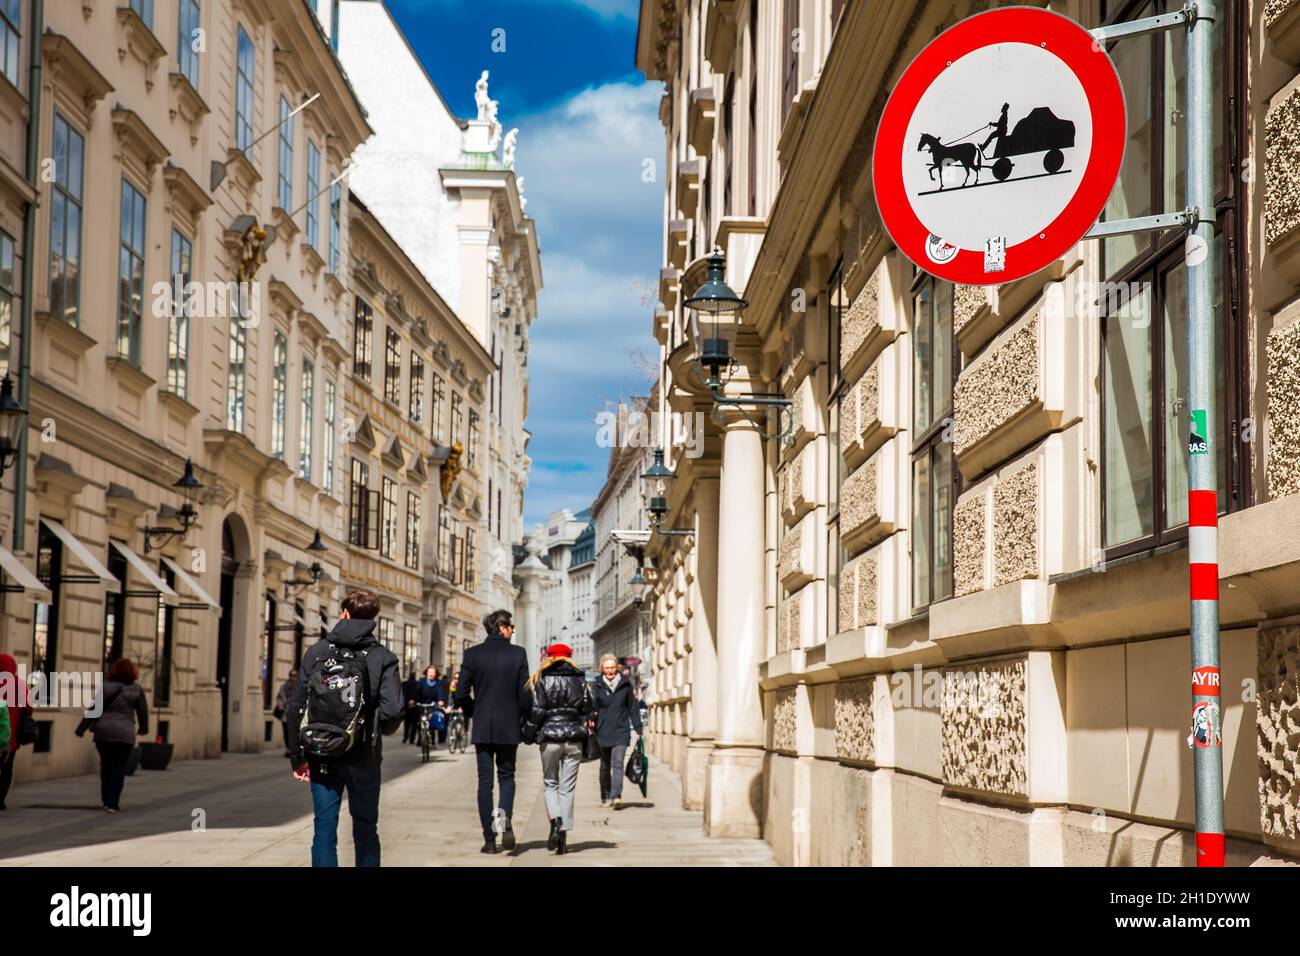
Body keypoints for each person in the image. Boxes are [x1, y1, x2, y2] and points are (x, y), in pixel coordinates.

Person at [285, 590, 404, 867]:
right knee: (365, 829)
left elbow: (295, 708)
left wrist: (297, 756)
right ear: (373, 619)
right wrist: (378, 731)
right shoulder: (382, 657)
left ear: (344, 613)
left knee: (324, 829)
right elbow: (393, 710)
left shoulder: (317, 651)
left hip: (321, 751)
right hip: (363, 754)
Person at [454, 609, 528, 854]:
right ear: (503, 627)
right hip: (509, 725)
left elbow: (460, 693)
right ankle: (503, 821)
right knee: (506, 777)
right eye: (511, 627)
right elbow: (524, 694)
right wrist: (524, 718)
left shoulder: (473, 654)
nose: (513, 630)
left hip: (483, 725)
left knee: (484, 782)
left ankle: (489, 840)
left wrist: (474, 711)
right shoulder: (518, 654)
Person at [521, 643, 594, 855]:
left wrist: (528, 735)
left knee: (550, 782)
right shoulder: (580, 679)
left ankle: (555, 820)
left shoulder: (541, 678)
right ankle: (563, 836)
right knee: (567, 789)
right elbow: (588, 708)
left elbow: (537, 712)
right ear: (569, 657)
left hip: (550, 737)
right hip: (574, 738)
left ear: (549, 657)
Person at [75, 658, 149, 812]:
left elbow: (94, 710)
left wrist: (82, 728)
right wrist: (143, 728)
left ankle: (106, 800)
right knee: (119, 767)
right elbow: (143, 711)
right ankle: (113, 802)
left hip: (104, 732)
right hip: (125, 733)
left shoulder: (106, 688)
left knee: (106, 766)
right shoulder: (136, 690)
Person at [591, 653, 642, 809]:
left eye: (612, 668)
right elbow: (593, 706)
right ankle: (605, 795)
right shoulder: (597, 684)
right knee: (605, 765)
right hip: (603, 730)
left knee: (618, 762)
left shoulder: (626, 684)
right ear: (602, 669)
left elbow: (632, 707)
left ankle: (616, 796)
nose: (610, 671)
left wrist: (638, 727)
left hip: (621, 730)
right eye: (607, 668)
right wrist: (590, 720)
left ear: (617, 668)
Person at [0, 653, 33, 811]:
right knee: (6, 768)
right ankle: (1, 799)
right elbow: (28, 707)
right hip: (9, 735)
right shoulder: (18, 684)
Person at [412, 665, 446, 746]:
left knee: (432, 721)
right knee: (419, 721)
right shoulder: (421, 681)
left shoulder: (438, 683)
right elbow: (416, 692)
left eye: (433, 672)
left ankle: (432, 740)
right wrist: (413, 700)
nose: (431, 674)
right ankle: (420, 738)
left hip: (432, 704)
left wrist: (440, 700)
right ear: (426, 673)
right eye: (429, 672)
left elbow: (440, 692)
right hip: (422, 703)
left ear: (436, 674)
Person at [274, 668, 298, 756]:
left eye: (294, 675)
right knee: (286, 731)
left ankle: (293, 749)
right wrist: (281, 704)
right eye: (291, 675)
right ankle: (288, 749)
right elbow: (280, 696)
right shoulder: (284, 686)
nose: (292, 677)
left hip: (295, 713)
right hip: (286, 713)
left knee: (294, 733)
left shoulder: (300, 688)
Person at [402, 670, 420, 744]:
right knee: (414, 724)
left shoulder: (405, 684)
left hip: (407, 707)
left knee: (407, 724)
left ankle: (406, 737)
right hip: (415, 707)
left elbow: (403, 694)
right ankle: (412, 739)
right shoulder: (417, 684)